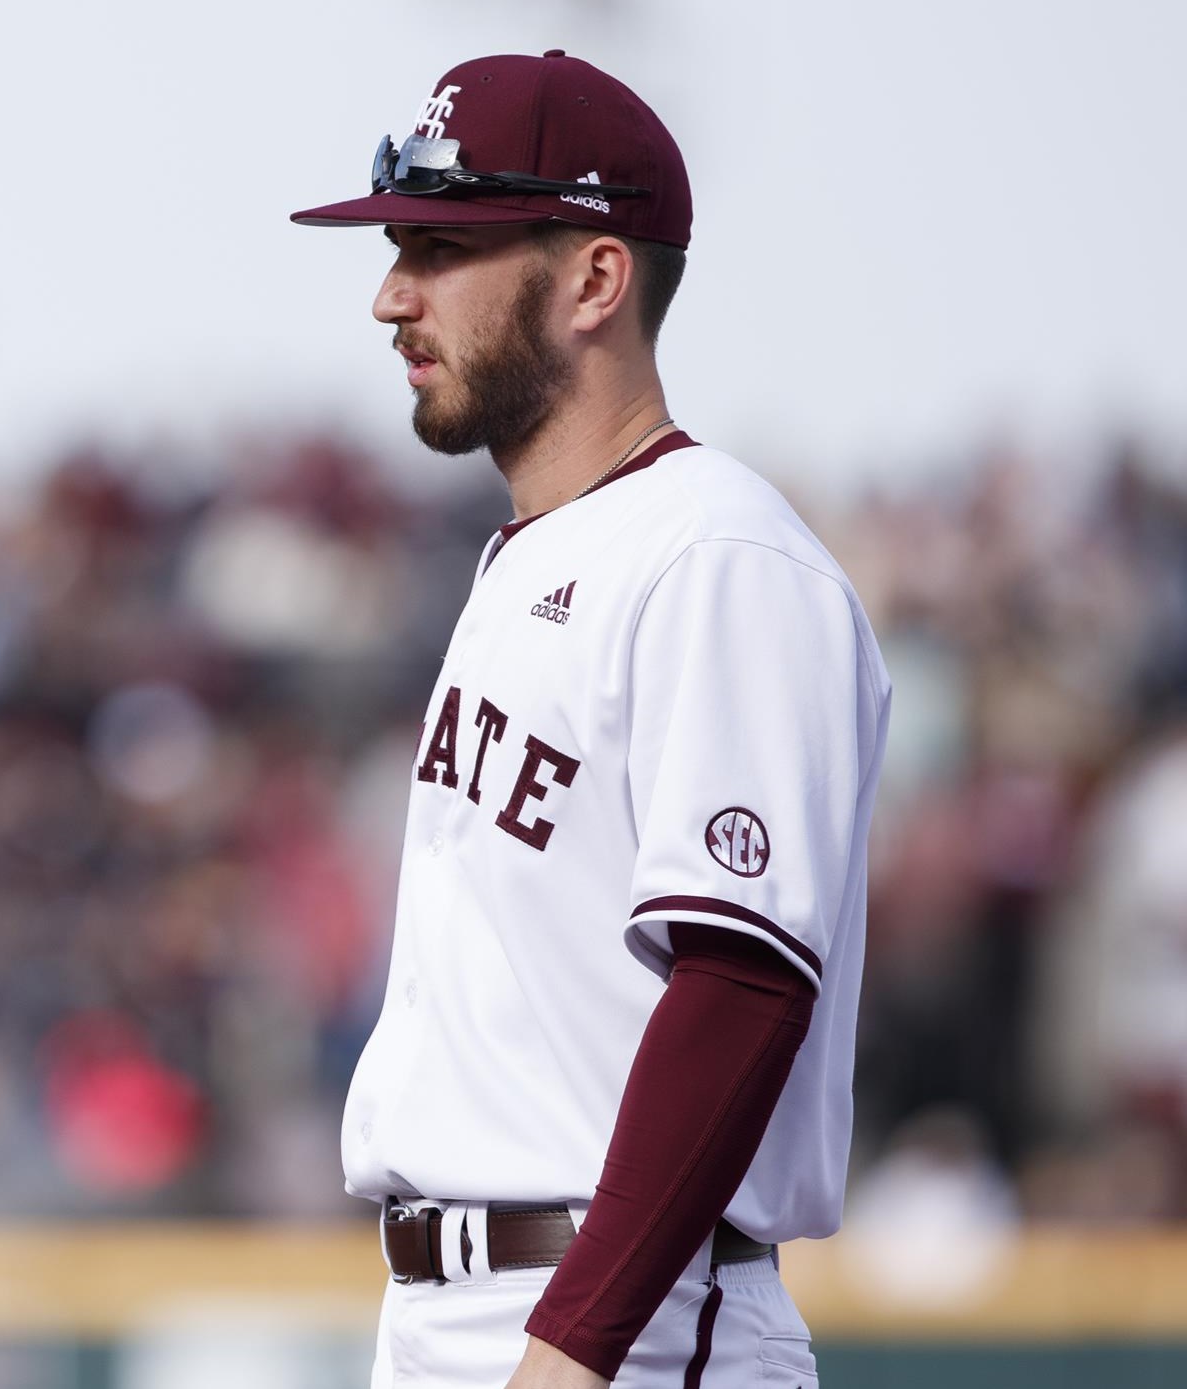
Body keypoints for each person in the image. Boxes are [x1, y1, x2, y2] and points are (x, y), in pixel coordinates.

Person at [291, 52, 891, 1388]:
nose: (393, 296)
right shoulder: (533, 560)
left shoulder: (720, 556)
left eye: (444, 245)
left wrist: (574, 1346)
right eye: (401, 245)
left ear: (595, 280)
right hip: (466, 1315)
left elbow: (741, 978)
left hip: (634, 1325)